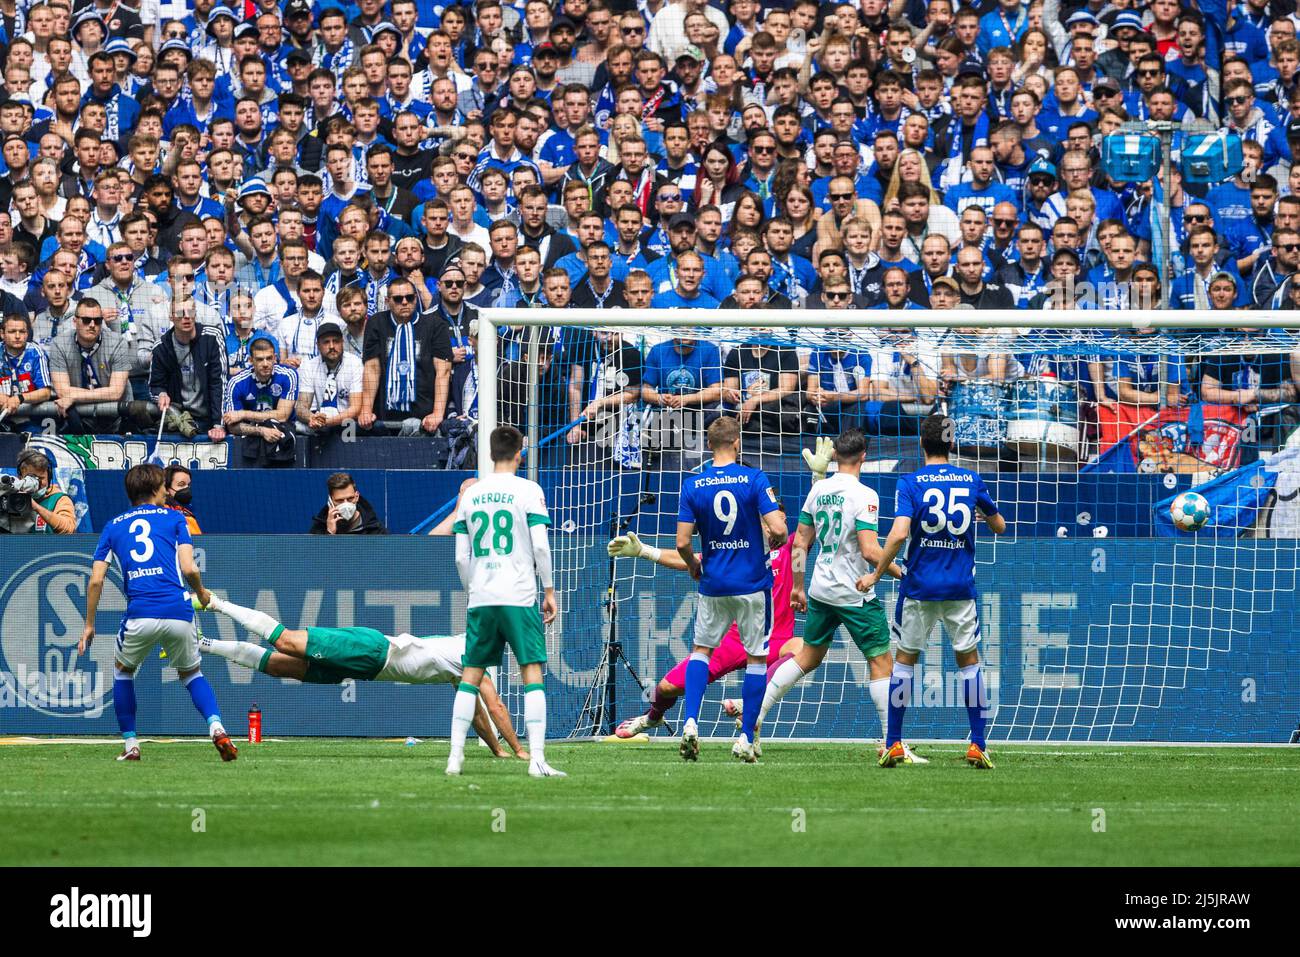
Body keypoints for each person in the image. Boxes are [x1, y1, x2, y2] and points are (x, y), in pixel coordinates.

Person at [756, 428, 924, 760]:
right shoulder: (866, 495)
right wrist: (902, 573)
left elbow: (801, 543)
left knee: (807, 657)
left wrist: (798, 587)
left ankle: (754, 718)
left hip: (820, 588)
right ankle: (893, 744)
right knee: (881, 662)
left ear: (835, 456)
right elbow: (870, 551)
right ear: (864, 456)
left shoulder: (819, 490)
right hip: (852, 591)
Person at [195, 597, 529, 762]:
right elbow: (495, 705)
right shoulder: (473, 653)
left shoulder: (467, 661)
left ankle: (203, 644)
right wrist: (519, 751)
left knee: (280, 666)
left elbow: (477, 712)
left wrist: (498, 751)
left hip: (366, 668)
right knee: (285, 641)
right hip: (370, 650)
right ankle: (216, 602)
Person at [859, 415, 1008, 770]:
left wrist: (877, 573)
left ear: (922, 445)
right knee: (969, 661)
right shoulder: (971, 480)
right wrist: (981, 512)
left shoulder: (910, 483)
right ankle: (978, 743)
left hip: (919, 586)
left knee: (905, 661)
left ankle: (893, 742)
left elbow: (897, 535)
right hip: (959, 586)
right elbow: (1000, 526)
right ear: (951, 444)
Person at [77, 463, 236, 763]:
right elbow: (189, 567)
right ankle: (216, 727)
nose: (167, 490)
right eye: (164, 486)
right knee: (191, 673)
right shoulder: (176, 519)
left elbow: (96, 579)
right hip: (179, 610)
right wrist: (201, 593)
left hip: (141, 613)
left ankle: (131, 745)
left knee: (123, 671)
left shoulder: (113, 526)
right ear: (154, 490)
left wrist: (89, 624)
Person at [448, 425, 564, 778]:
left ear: (489, 452)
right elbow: (541, 546)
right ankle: (538, 760)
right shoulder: (528, 490)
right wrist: (549, 590)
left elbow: (459, 557)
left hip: (482, 595)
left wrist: (474, 588)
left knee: (470, 675)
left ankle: (455, 758)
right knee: (532, 672)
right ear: (520, 454)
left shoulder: (471, 494)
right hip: (518, 593)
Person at [673, 415, 788, 762]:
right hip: (752, 582)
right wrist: (770, 536)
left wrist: (695, 566)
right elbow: (779, 529)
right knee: (756, 658)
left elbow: (681, 542)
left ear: (710, 445)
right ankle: (744, 738)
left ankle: (691, 722)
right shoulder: (754, 479)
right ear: (737, 443)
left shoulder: (693, 485)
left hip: (714, 583)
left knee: (701, 651)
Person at [309, 471, 388, 535]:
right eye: (340, 500)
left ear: (356, 496)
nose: (346, 504)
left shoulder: (375, 529)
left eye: (350, 498)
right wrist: (329, 532)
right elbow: (314, 554)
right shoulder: (319, 528)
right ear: (330, 501)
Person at [164, 464, 201, 536]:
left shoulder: (187, 512)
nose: (187, 489)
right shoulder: (164, 513)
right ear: (166, 489)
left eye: (188, 485)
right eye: (181, 484)